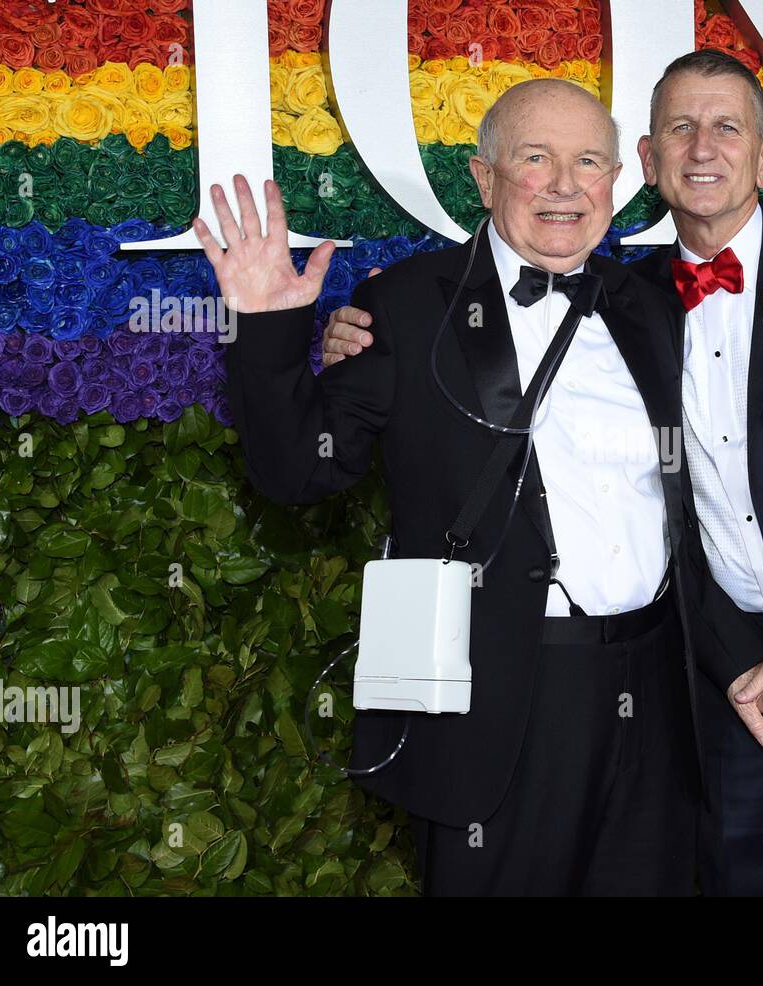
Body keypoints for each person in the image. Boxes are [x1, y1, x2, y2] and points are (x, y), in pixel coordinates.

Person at [322, 52, 763, 897]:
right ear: (645, 161)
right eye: (680, 126)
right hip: (728, 682)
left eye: (726, 127)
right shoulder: (623, 298)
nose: (702, 146)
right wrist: (361, 332)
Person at [196, 78, 700, 896]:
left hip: (657, 690)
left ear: (617, 180)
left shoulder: (651, 305)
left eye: (588, 162)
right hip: (504, 695)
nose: (566, 185)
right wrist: (271, 328)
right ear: (484, 176)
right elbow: (297, 473)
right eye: (536, 159)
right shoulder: (405, 305)